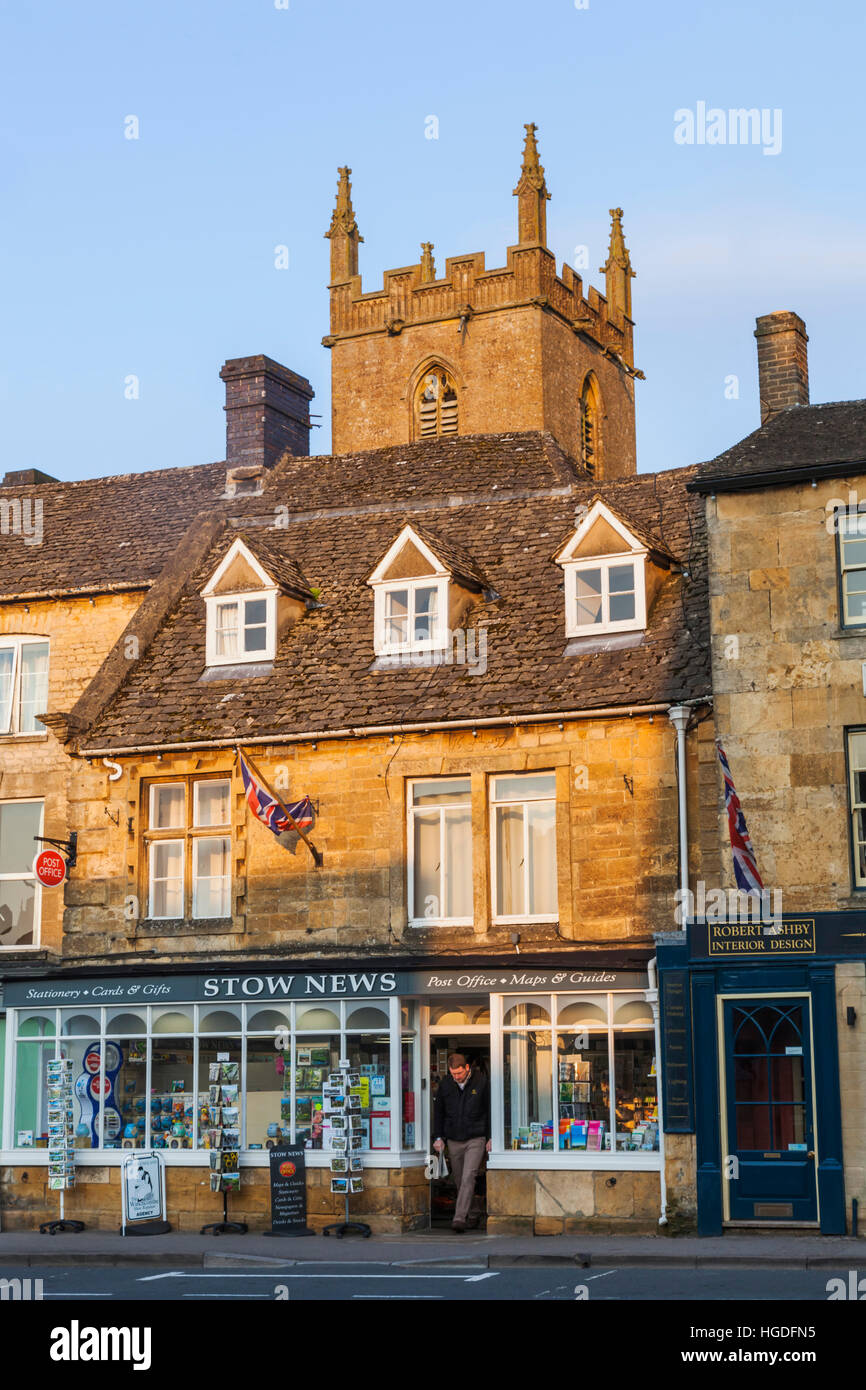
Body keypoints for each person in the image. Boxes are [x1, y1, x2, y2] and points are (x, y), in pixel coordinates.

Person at [432, 1053, 491, 1232]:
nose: (456, 1077)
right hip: (454, 1138)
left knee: (468, 1176)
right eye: (453, 1074)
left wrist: (490, 1136)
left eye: (459, 1073)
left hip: (476, 1137)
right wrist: (438, 1137)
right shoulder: (446, 1084)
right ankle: (474, 1212)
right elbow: (439, 1112)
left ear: (467, 1068)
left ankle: (459, 1219)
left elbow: (490, 1110)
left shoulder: (482, 1082)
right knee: (459, 1180)